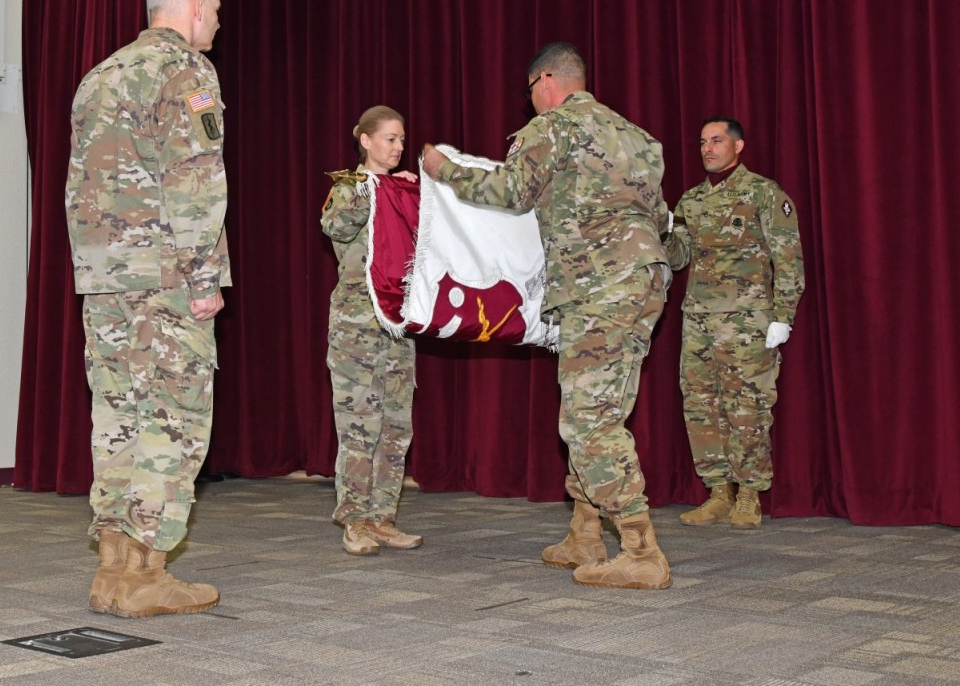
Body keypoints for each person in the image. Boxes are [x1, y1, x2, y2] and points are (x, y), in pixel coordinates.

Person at [422, 43, 673, 590]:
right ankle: (586, 531)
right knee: (603, 407)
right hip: (641, 281)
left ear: (547, 80)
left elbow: (509, 191)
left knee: (589, 420)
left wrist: (445, 170)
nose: (529, 99)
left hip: (598, 286)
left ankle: (640, 549)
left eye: (529, 89)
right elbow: (661, 218)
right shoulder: (637, 137)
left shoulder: (553, 127)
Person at [65, 0, 230, 618]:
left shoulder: (97, 76)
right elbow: (197, 184)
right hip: (164, 276)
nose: (217, 20)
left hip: (105, 281)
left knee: (117, 420)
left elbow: (80, 188)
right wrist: (202, 277)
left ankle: (113, 569)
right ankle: (150, 570)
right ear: (191, 5)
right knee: (174, 421)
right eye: (214, 8)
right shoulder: (186, 71)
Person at [665, 116, 804, 530]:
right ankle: (718, 491)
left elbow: (789, 258)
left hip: (747, 321)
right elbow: (678, 259)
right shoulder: (690, 201)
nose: (708, 148)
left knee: (748, 407)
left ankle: (749, 494)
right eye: (703, 142)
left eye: (717, 140)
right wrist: (660, 229)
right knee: (701, 406)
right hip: (699, 320)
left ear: (738, 146)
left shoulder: (763, 193)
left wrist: (784, 316)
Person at [321, 106, 424, 556]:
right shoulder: (349, 190)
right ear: (364, 140)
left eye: (402, 140)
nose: (398, 147)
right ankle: (355, 520)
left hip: (397, 326)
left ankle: (383, 516)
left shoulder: (408, 191)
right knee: (359, 426)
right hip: (357, 325)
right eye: (389, 139)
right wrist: (375, 192)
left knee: (396, 425)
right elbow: (334, 225)